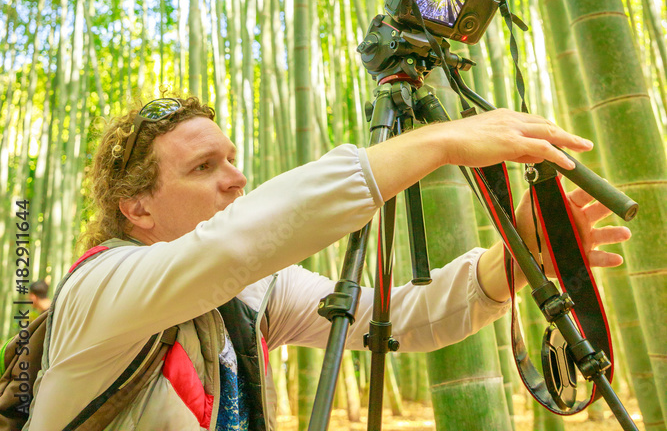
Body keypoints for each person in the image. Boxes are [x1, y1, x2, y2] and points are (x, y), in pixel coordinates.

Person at [25, 93, 630, 431]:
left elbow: (404, 318)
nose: (236, 179)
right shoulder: (98, 289)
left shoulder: (255, 295)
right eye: (203, 167)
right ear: (136, 207)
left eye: (231, 159)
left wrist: (519, 256)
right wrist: (439, 141)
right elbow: (229, 246)